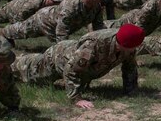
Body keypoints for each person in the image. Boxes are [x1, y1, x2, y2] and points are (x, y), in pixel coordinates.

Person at [13, 25, 145, 109]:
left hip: (77, 61)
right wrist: (76, 98)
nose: (133, 50)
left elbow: (130, 67)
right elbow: (72, 70)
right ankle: (13, 63)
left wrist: (131, 90)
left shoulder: (128, 45)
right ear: (121, 44)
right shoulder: (93, 45)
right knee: (28, 72)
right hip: (57, 58)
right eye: (131, 48)